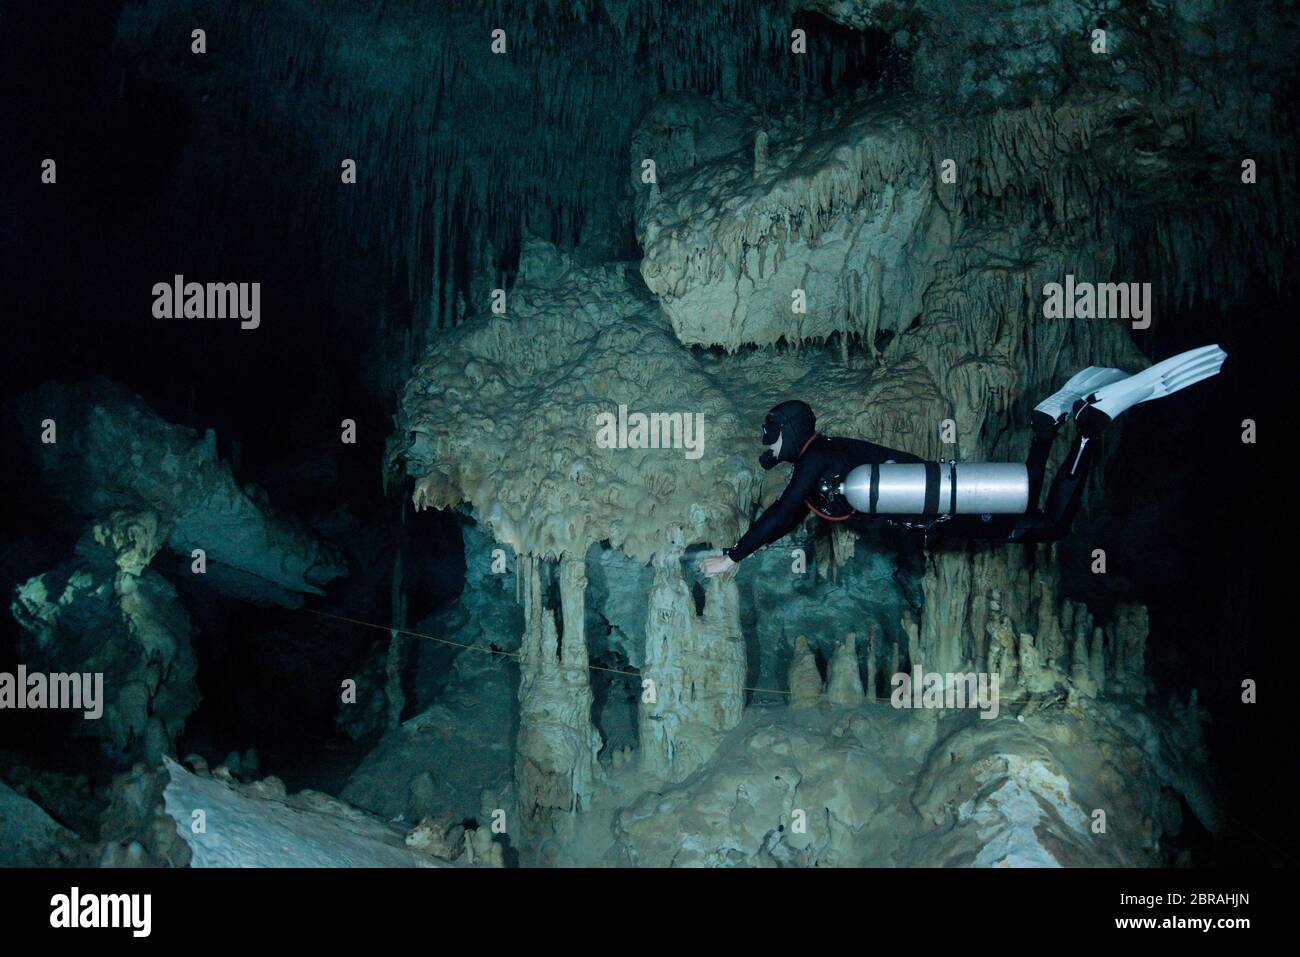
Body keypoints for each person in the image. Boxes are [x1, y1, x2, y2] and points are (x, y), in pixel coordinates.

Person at [698, 344, 1226, 576]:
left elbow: (784, 513)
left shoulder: (815, 462)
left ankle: (1088, 431)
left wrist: (735, 555)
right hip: (943, 496)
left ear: (790, 435)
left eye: (769, 435)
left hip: (943, 510)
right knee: (1029, 499)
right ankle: (1046, 426)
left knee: (1048, 524)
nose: (766, 446)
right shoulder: (831, 452)